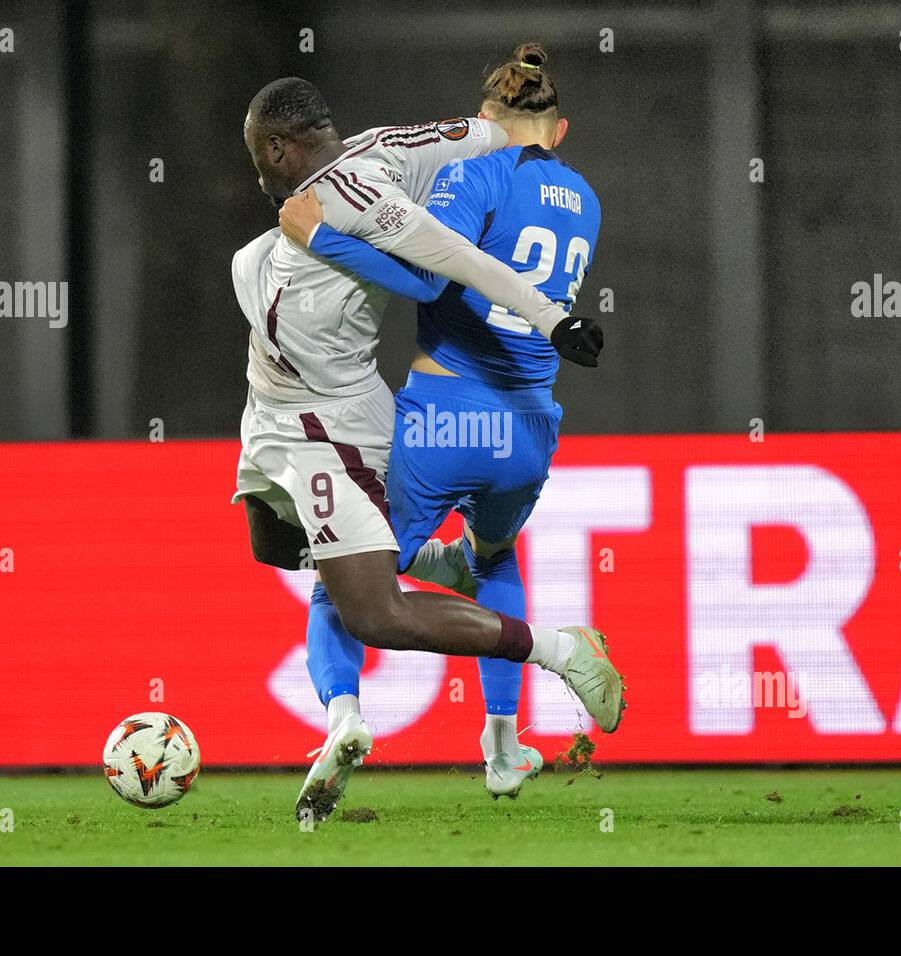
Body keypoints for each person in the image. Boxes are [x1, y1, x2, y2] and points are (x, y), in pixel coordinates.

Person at [231, 75, 622, 822]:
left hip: (332, 423)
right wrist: (515, 118)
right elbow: (472, 132)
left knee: (370, 612)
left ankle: (557, 652)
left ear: (279, 148)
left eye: (256, 154)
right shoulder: (385, 147)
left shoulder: (359, 200)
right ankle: (447, 573)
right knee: (276, 546)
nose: (254, 170)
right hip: (278, 413)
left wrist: (552, 318)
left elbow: (446, 264)